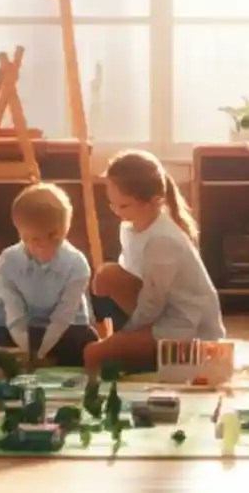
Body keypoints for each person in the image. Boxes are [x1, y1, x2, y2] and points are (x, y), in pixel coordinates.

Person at [82, 150, 225, 382]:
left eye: (125, 206)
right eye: (112, 205)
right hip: (157, 313)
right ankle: (135, 355)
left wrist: (128, 335)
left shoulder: (162, 240)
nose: (118, 212)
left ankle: (125, 367)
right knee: (106, 276)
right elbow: (128, 275)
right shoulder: (129, 226)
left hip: (185, 327)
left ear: (155, 201)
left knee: (94, 353)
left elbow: (153, 300)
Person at [0, 183, 98, 366]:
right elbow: (13, 310)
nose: (43, 244)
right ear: (21, 234)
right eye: (34, 239)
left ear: (65, 230)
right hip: (13, 325)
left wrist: (41, 353)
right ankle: (37, 358)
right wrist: (24, 348)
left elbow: (64, 315)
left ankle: (45, 359)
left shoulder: (77, 264)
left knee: (87, 345)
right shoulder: (8, 260)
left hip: (63, 327)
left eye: (52, 236)